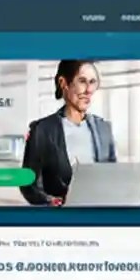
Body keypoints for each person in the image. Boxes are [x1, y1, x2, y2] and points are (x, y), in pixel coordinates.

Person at [19, 60, 118, 206]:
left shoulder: (104, 129)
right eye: (82, 81)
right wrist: (49, 201)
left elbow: (113, 177)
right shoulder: (42, 130)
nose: (88, 90)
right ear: (63, 83)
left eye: (92, 82)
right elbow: (28, 183)